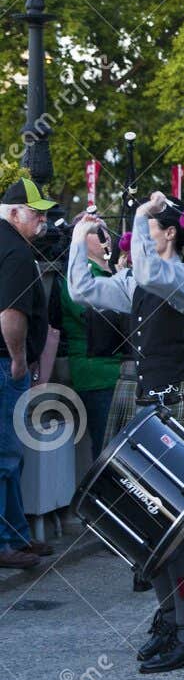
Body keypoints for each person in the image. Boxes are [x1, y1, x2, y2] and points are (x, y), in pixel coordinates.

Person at [68, 192, 184, 672]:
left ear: (168, 233)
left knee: (179, 528)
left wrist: (141, 211)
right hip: (151, 407)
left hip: (181, 405)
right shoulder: (136, 279)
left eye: (148, 231)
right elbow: (81, 291)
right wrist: (76, 239)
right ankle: (170, 620)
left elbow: (153, 272)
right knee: (152, 527)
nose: (137, 243)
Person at [0, 180, 57, 570]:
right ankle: (5, 543)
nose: (43, 219)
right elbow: (11, 314)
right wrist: (19, 358)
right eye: (35, 212)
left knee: (10, 454)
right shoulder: (17, 252)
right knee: (5, 455)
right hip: (4, 364)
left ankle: (17, 534)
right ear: (14, 212)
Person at [57, 214, 127, 457]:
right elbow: (103, 321)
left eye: (105, 230)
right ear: (79, 240)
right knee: (109, 452)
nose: (104, 235)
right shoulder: (74, 278)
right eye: (95, 231)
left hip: (122, 374)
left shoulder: (115, 272)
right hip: (98, 377)